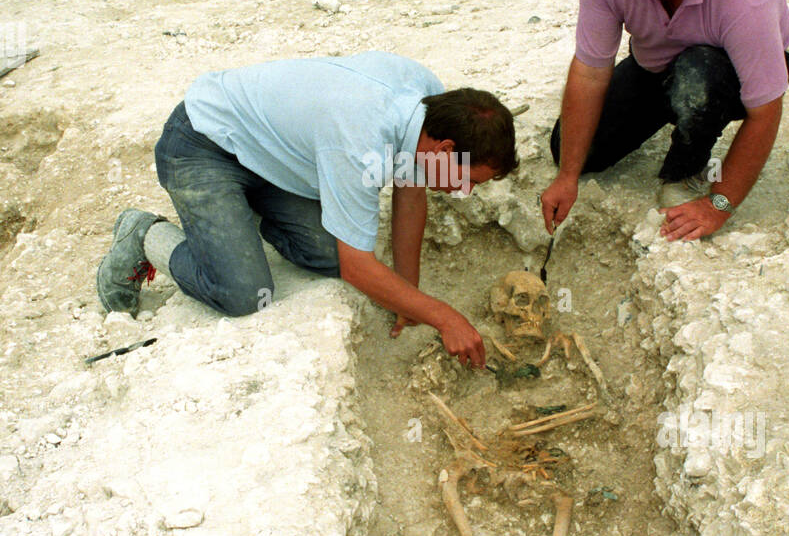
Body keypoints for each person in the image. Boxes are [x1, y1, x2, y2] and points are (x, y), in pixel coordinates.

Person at [96, 51, 517, 368]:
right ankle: (142, 232)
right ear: (445, 150)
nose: (466, 191)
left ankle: (237, 215)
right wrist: (444, 316)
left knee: (326, 252)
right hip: (203, 144)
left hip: (274, 161)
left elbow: (410, 189)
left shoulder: (428, 102)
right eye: (471, 180)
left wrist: (410, 296)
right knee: (242, 293)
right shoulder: (360, 139)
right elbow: (358, 267)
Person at [541, 0, 789, 243]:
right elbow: (591, 70)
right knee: (571, 151)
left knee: (698, 76)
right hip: (655, 63)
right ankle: (673, 108)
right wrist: (567, 176)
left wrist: (718, 206)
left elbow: (766, 111)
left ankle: (686, 169)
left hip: (726, 71)